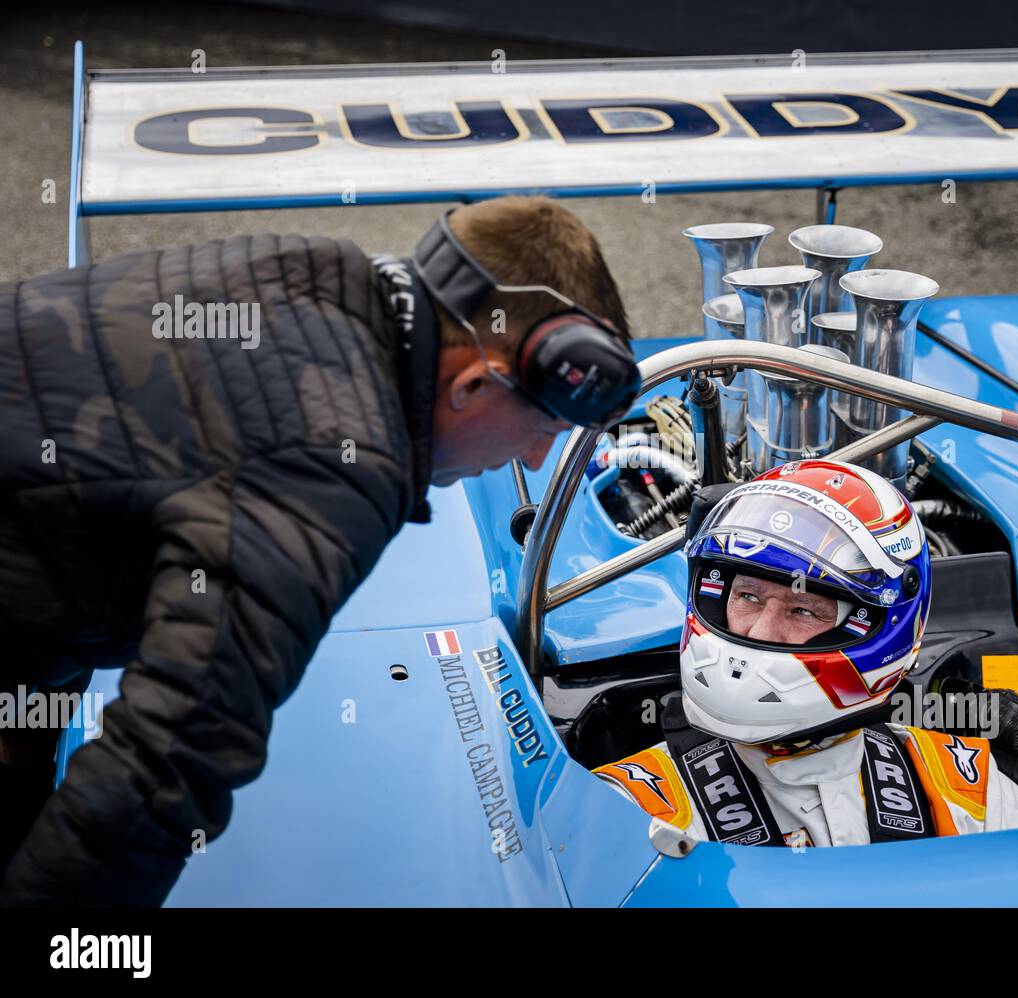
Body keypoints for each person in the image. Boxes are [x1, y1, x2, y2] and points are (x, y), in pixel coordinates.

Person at [0, 195, 639, 905]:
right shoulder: (339, 461)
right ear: (469, 385)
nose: (539, 451)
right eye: (542, 425)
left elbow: (80, 490)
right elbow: (167, 761)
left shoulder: (316, 275)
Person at [595, 459, 1018, 847]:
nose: (761, 630)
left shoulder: (970, 791)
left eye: (802, 610)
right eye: (748, 598)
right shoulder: (628, 809)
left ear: (879, 628)